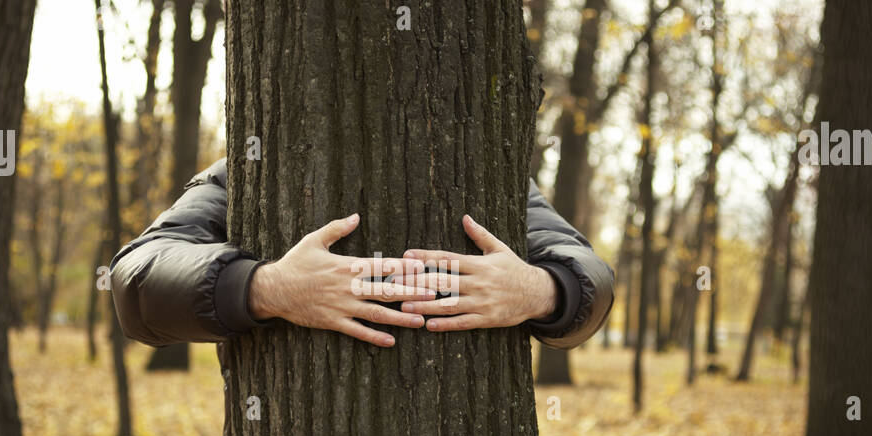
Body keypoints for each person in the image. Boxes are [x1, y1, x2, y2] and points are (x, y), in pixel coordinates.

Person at [111, 157, 614, 349]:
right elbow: (135, 283)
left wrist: (543, 290)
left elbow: (593, 274)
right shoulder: (245, 170)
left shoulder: (496, 176)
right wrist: (267, 287)